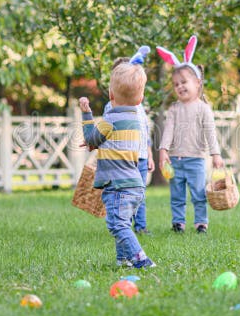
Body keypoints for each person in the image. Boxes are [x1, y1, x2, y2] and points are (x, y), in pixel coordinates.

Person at [79, 57, 156, 269]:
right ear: (140, 98)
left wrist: (86, 114)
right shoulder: (134, 121)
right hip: (135, 184)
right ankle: (124, 259)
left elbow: (91, 139)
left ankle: (141, 258)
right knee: (124, 222)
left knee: (117, 224)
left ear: (111, 95)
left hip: (118, 186)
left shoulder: (109, 120)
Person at [156, 35, 224, 234]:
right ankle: (178, 222)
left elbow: (210, 133)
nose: (180, 87)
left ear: (197, 82)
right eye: (176, 84)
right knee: (176, 194)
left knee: (198, 194)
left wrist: (216, 154)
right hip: (176, 160)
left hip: (195, 159)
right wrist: (163, 150)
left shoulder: (203, 109)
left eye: (184, 82)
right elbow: (167, 131)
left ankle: (201, 222)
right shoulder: (174, 109)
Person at [104, 48, 155, 235]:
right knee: (125, 195)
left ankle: (140, 226)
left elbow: (145, 132)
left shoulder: (139, 105)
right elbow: (107, 132)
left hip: (141, 156)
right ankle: (124, 223)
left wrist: (149, 155)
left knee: (139, 194)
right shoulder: (111, 106)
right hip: (124, 159)